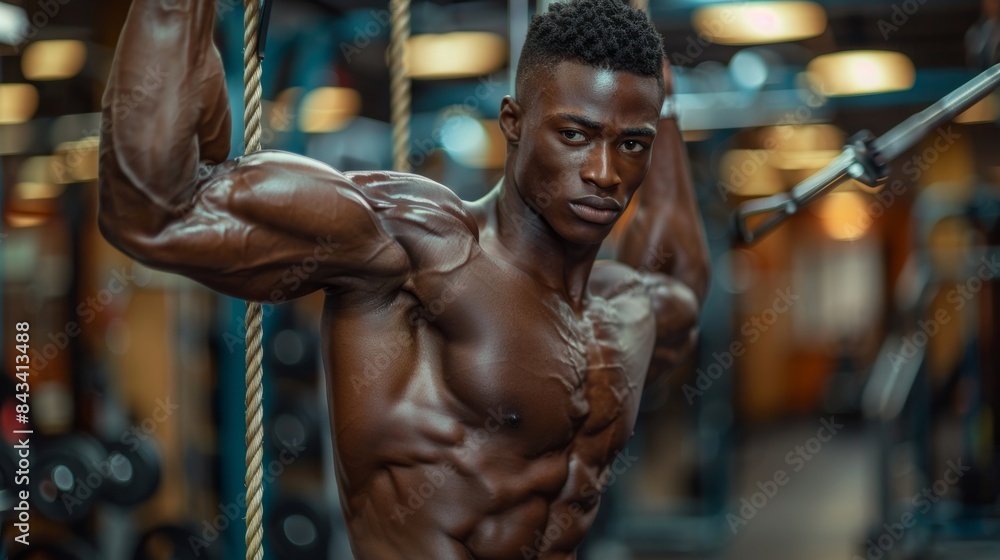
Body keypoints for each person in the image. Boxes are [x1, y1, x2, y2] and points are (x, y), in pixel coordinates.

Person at [98, 0, 709, 557]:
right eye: (574, 135)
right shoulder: (416, 249)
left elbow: (681, 280)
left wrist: (665, 93)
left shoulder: (624, 309)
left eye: (632, 144)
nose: (604, 172)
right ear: (514, 122)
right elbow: (156, 210)